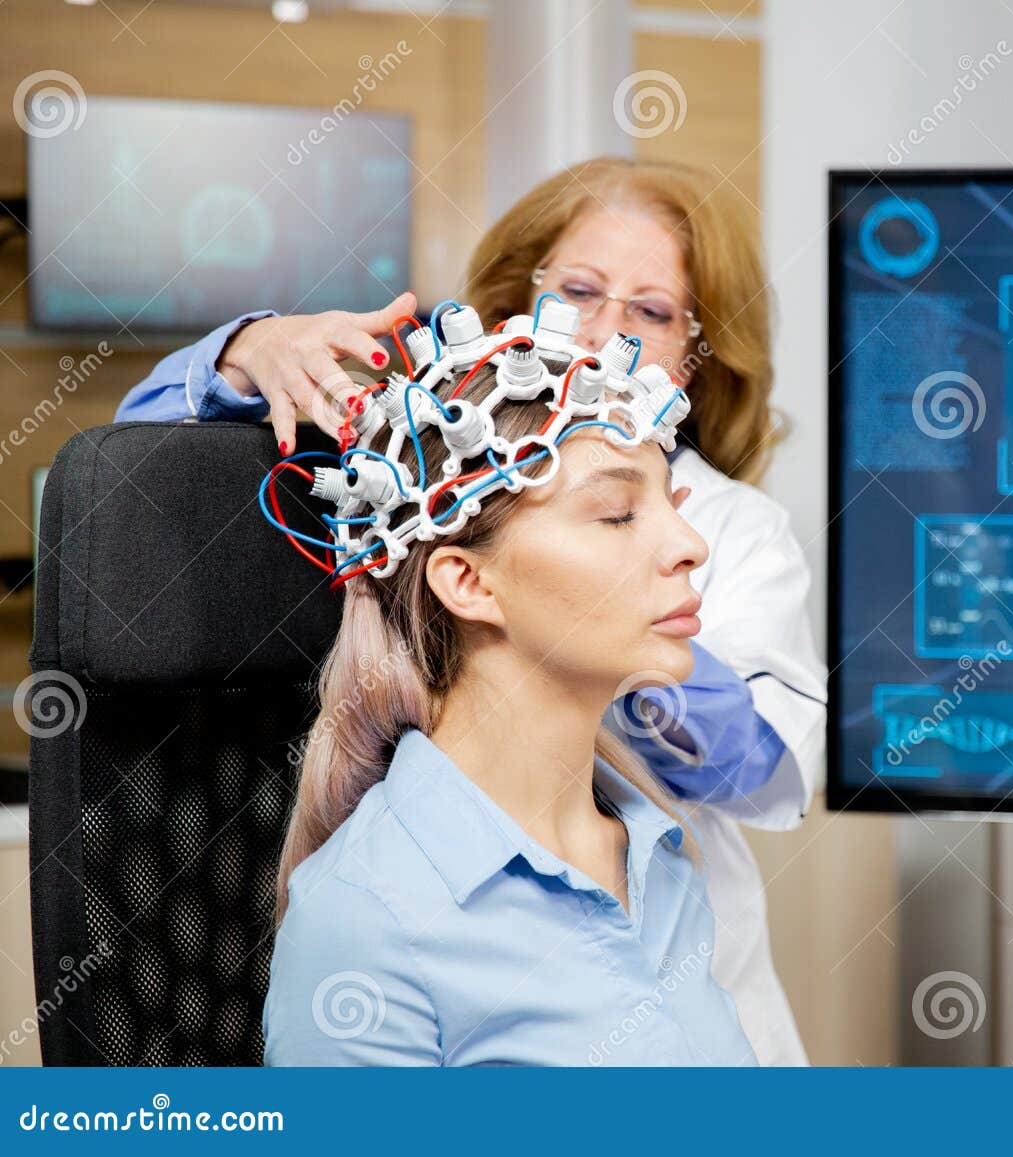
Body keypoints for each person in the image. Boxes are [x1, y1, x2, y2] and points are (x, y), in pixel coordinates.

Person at [114, 157, 826, 1065]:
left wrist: (608, 626)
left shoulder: (662, 851)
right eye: (577, 290)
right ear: (508, 308)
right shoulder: (431, 467)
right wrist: (240, 356)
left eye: (651, 310)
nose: (606, 327)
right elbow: (134, 494)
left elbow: (769, 769)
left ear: (695, 350)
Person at [262, 359, 755, 1065]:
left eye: (674, 505)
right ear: (468, 580)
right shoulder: (366, 923)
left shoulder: (661, 855)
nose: (690, 546)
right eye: (618, 514)